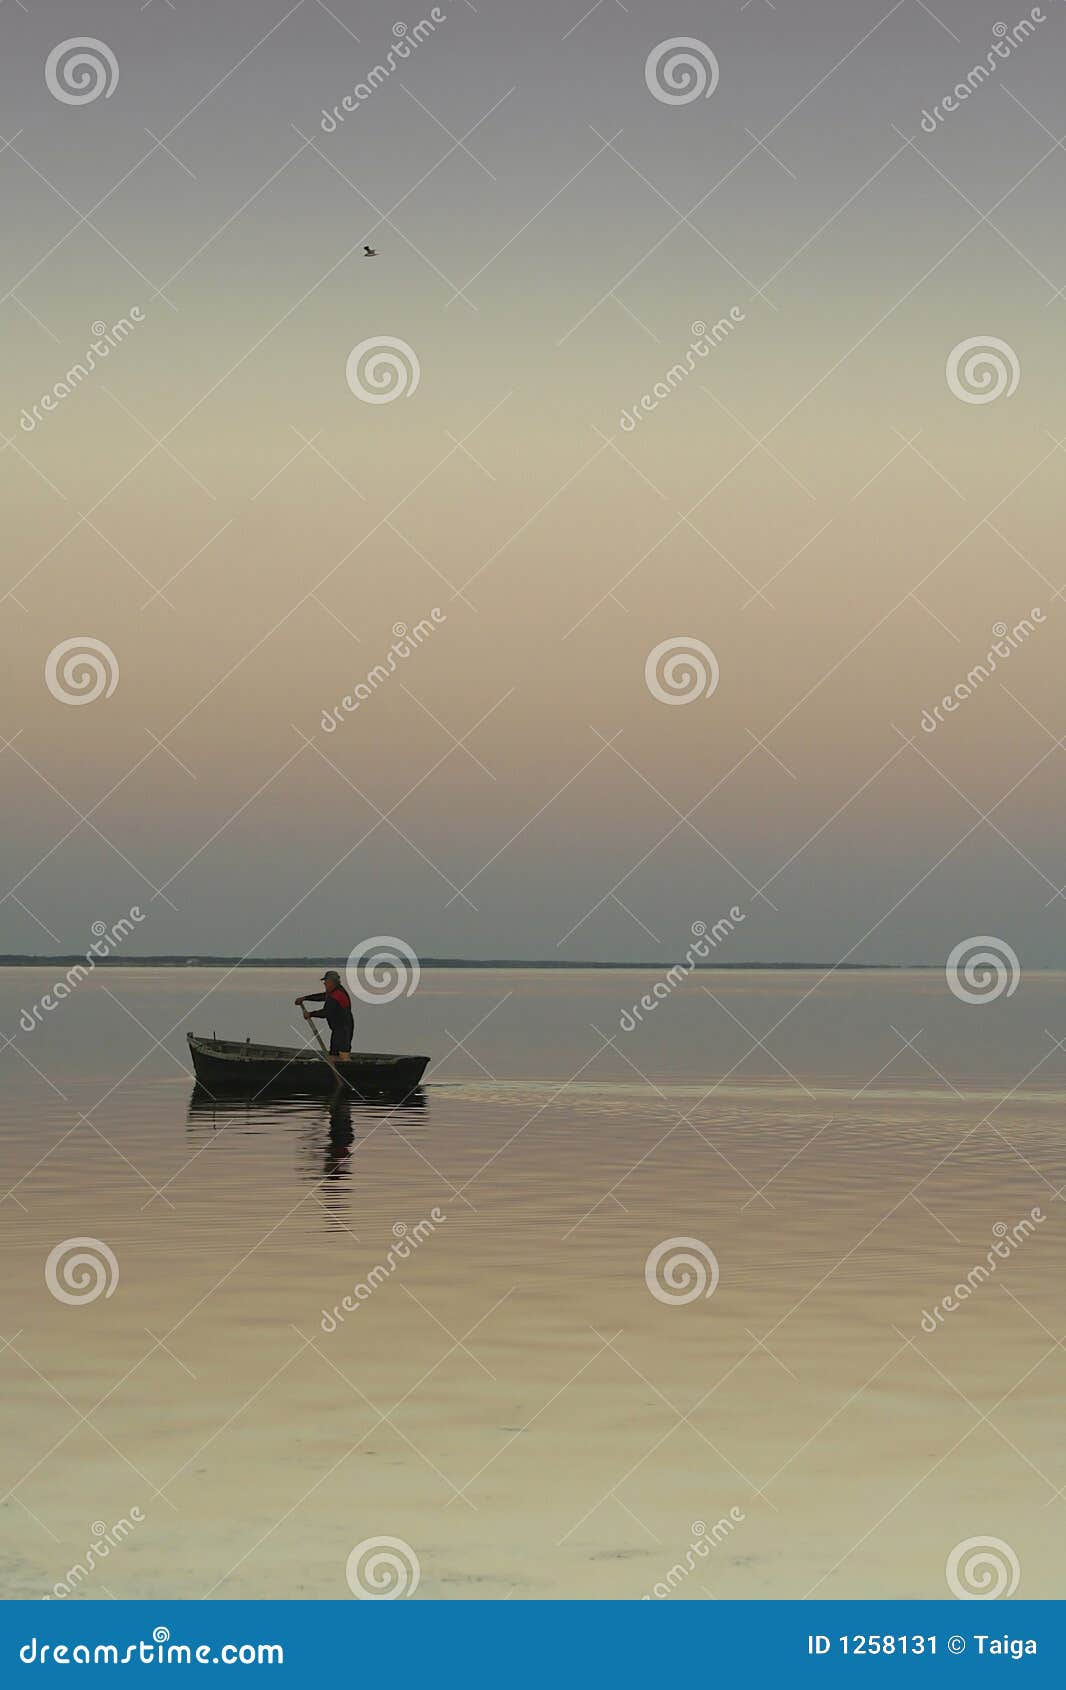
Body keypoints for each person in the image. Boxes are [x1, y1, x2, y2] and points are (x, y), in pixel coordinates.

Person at [295, 971, 355, 1061]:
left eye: (326, 981)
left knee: (343, 1054)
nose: (324, 983)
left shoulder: (337, 995)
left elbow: (326, 1013)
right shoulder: (334, 991)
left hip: (344, 1029)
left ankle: (346, 1072)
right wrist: (305, 998)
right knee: (333, 1053)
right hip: (338, 1028)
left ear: (331, 982)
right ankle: (334, 1066)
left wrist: (310, 1014)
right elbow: (322, 996)